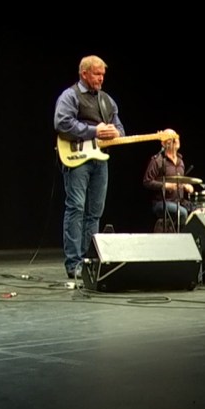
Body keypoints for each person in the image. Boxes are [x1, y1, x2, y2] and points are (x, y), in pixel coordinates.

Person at [54, 55, 125, 279]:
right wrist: (94, 131)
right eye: (97, 74)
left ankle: (89, 260)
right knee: (76, 208)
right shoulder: (70, 96)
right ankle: (73, 263)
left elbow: (119, 128)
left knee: (94, 212)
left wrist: (116, 133)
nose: (101, 78)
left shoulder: (107, 100)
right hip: (77, 159)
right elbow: (62, 122)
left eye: (103, 74)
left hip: (100, 159)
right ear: (84, 73)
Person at [143, 129, 194, 230]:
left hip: (180, 201)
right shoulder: (158, 160)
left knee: (198, 212)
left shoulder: (181, 161)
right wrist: (165, 186)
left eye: (176, 137)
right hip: (162, 202)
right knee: (182, 213)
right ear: (164, 143)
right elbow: (147, 181)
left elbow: (181, 181)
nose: (176, 140)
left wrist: (187, 186)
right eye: (172, 138)